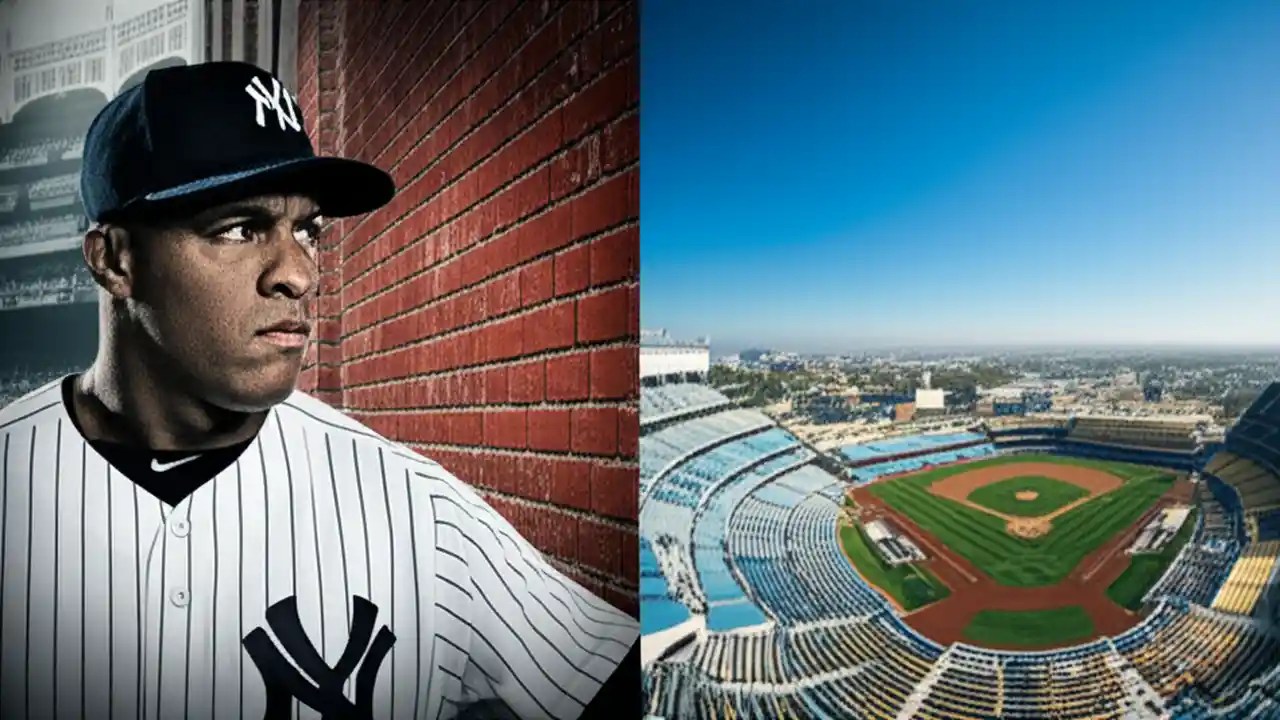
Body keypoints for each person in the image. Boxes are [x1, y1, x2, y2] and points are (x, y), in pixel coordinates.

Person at [0, 61, 638, 720]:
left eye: (308, 230)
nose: (300, 274)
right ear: (115, 259)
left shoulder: (419, 509)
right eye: (241, 228)